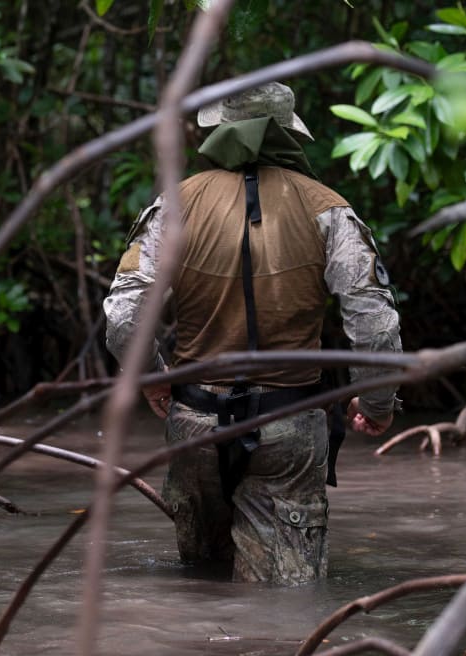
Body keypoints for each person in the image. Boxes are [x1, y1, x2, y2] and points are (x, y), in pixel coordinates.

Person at [103, 82, 402, 585]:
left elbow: (123, 318)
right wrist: (376, 405)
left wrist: (154, 378)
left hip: (194, 422)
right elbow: (374, 326)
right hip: (288, 427)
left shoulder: (178, 205)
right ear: (287, 132)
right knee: (284, 604)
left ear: (220, 129)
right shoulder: (328, 209)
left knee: (202, 589)